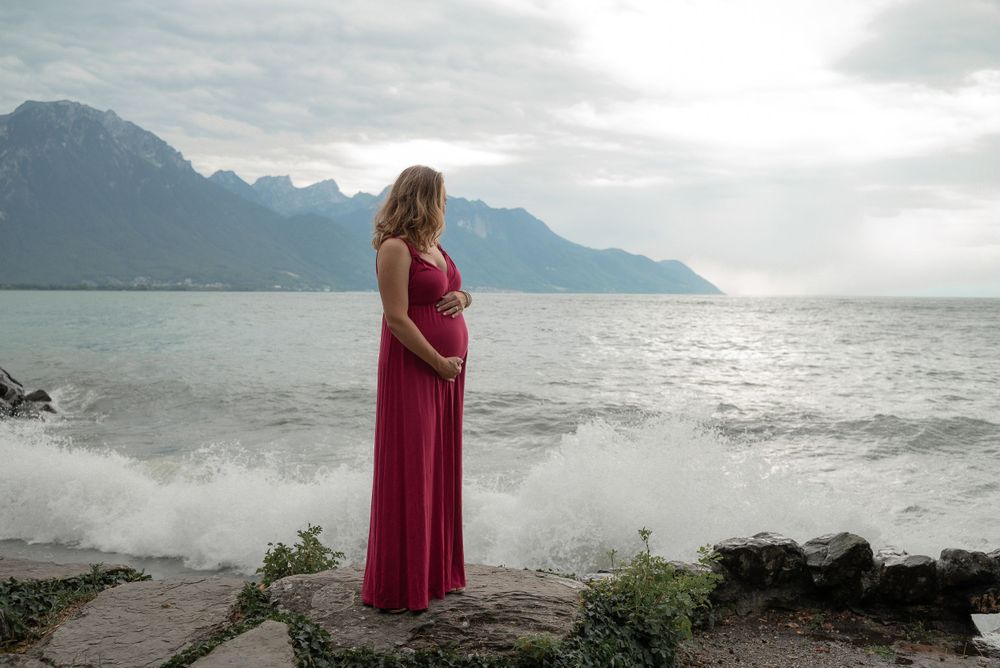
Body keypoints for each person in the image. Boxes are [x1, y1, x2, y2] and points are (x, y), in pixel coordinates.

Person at [361, 165, 472, 613]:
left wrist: (464, 299)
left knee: (438, 466)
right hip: (416, 369)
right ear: (425, 197)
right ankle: (400, 584)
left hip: (445, 374)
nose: (447, 204)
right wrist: (439, 362)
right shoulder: (395, 247)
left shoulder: (434, 246)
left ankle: (436, 573)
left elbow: (455, 290)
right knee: (413, 467)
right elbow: (397, 318)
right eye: (442, 196)